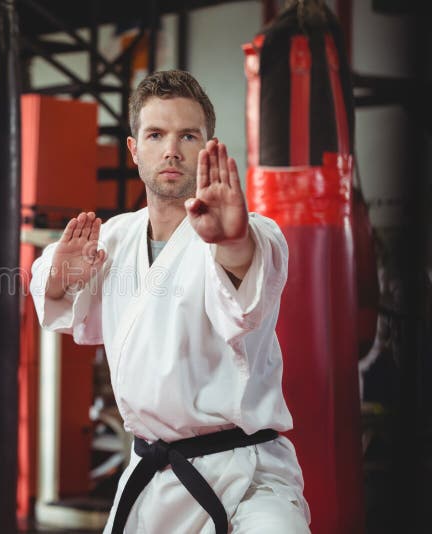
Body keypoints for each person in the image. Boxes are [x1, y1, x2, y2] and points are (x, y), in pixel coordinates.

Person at [30, 70, 311, 533]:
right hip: (153, 481)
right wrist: (62, 273)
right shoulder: (113, 239)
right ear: (134, 149)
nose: (172, 150)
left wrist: (233, 241)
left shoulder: (252, 231)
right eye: (156, 134)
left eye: (188, 135)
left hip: (246, 478)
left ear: (208, 146)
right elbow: (51, 295)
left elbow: (246, 278)